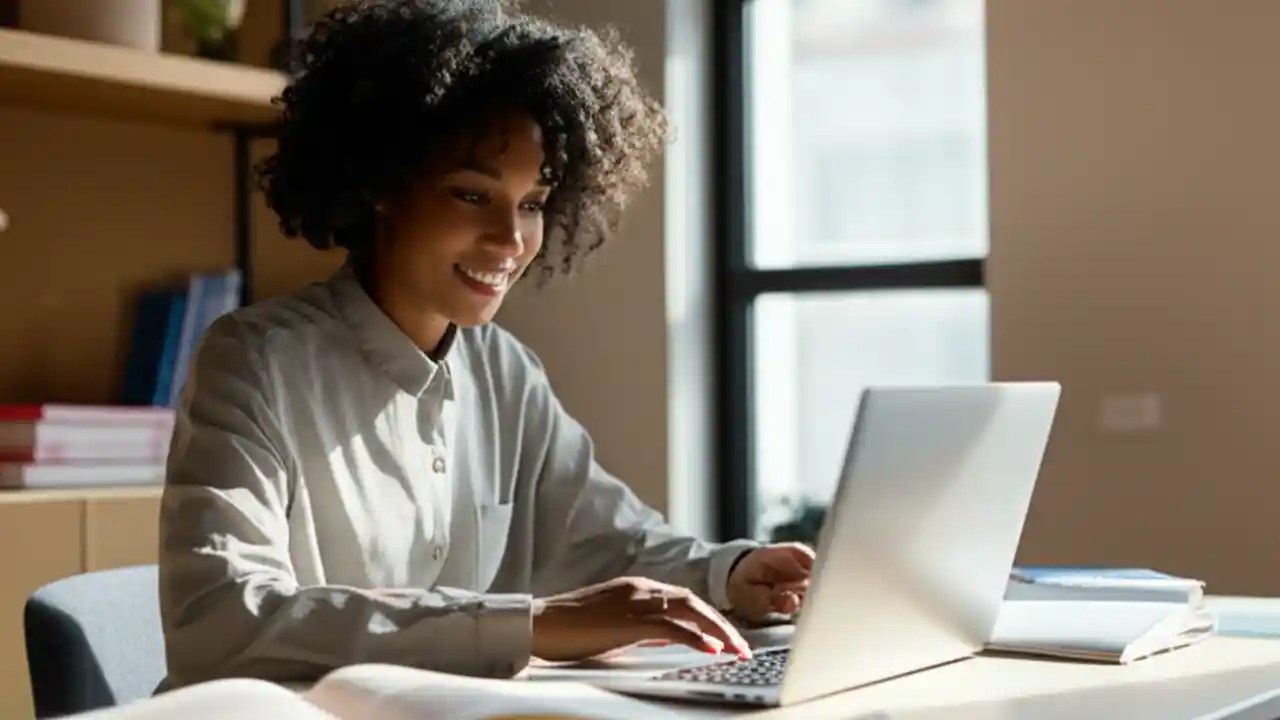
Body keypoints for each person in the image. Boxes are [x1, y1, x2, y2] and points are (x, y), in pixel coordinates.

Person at [157, 0, 814, 690]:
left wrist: (731, 574)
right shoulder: (256, 361)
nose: (511, 241)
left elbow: (609, 540)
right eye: (473, 196)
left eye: (532, 203)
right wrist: (527, 626)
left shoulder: (502, 370)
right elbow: (222, 619)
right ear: (381, 184)